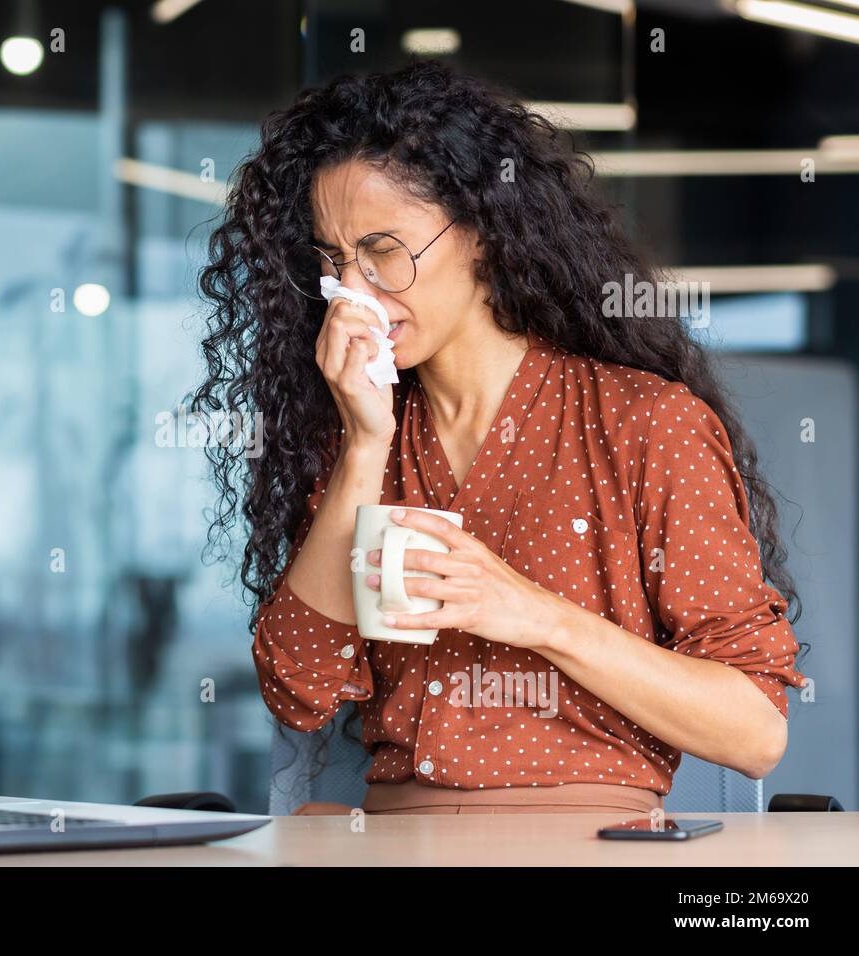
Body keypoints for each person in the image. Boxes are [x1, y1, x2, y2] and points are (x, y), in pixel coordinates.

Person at [192, 61, 807, 816]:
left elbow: (754, 731)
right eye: (333, 261)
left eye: (384, 251)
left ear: (482, 235)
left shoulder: (644, 423)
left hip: (590, 841)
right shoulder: (360, 432)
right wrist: (362, 446)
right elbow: (299, 688)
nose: (354, 291)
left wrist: (536, 615)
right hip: (393, 839)